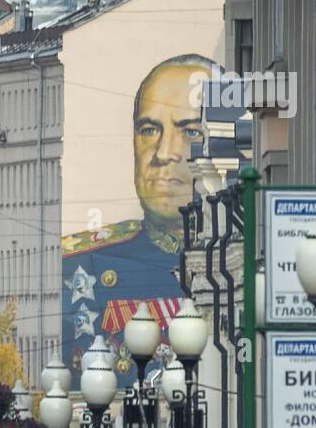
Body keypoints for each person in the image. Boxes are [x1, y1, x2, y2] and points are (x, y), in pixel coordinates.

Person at [60, 53, 216, 385]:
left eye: (190, 133)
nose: (163, 153)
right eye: (149, 130)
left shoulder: (251, 257)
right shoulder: (86, 263)